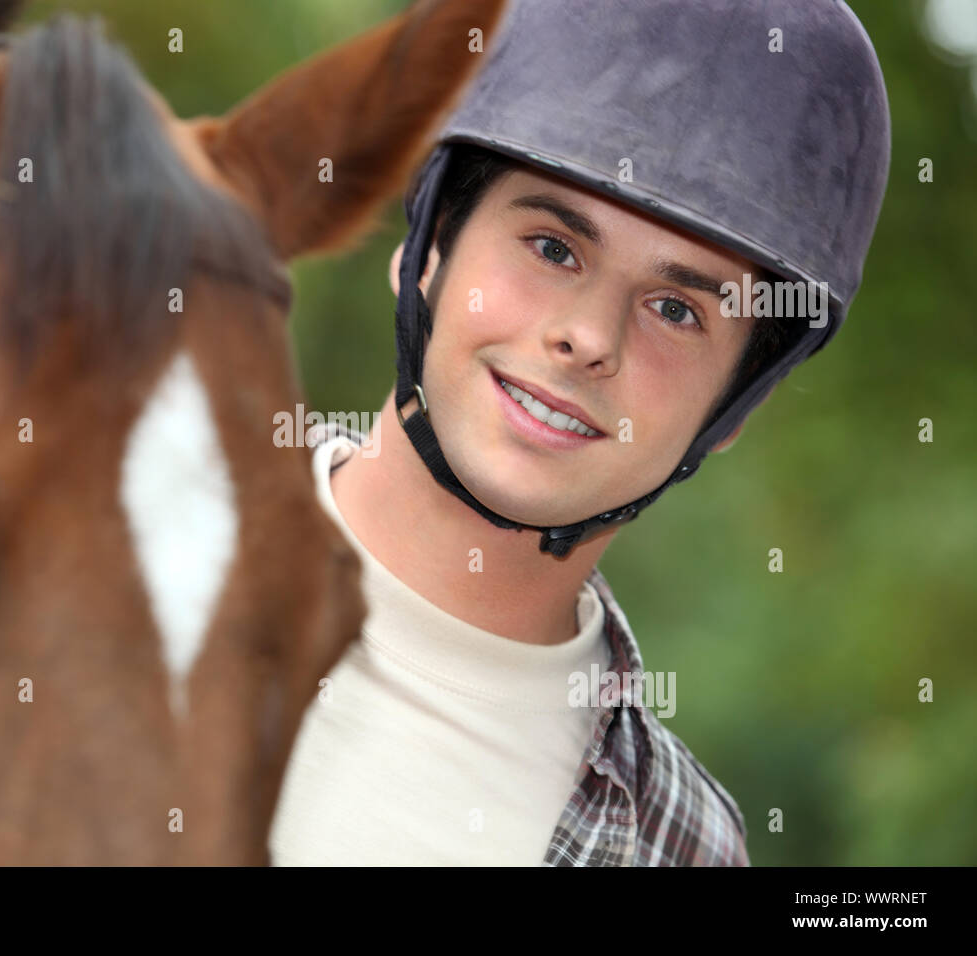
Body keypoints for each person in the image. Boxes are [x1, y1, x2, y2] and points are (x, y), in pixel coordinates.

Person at [268, 0, 890, 865]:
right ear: (426, 249)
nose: (589, 338)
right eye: (553, 247)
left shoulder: (687, 848)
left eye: (677, 310)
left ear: (735, 409)